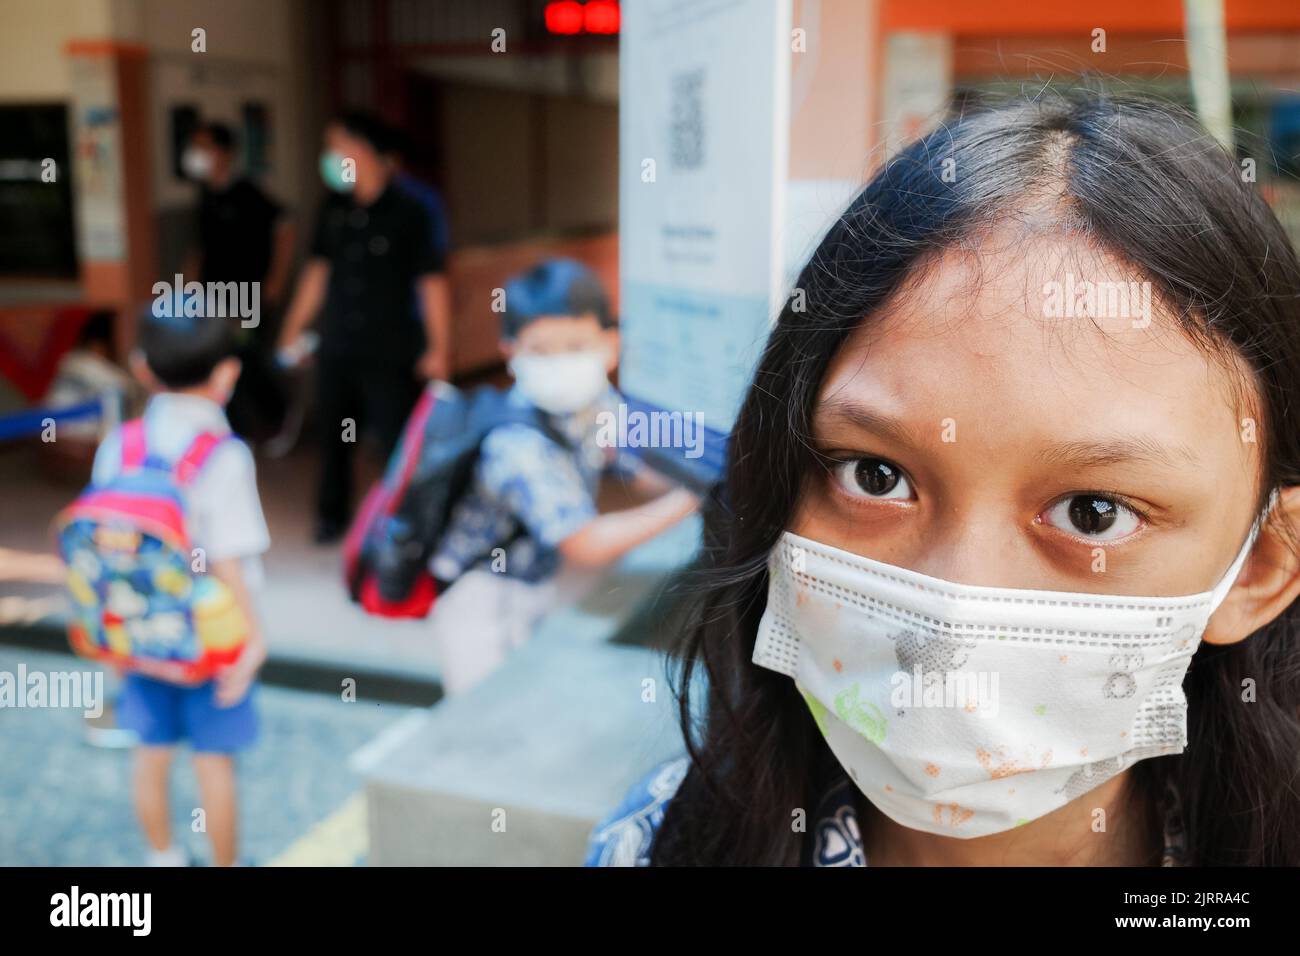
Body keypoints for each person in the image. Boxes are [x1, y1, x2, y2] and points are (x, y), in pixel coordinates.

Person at [587, 90, 1300, 867]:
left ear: (1259, 566)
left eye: (1094, 513)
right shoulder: (658, 846)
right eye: (877, 475)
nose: (951, 622)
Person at [428, 258, 698, 695]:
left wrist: (697, 466)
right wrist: (691, 499)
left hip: (533, 584)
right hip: (478, 597)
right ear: (510, 353)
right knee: (485, 720)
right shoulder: (515, 444)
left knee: (525, 702)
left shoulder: (595, 403)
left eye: (575, 346)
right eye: (540, 350)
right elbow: (586, 544)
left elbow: (642, 469)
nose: (559, 362)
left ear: (610, 345)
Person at [93, 305, 270, 867]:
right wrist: (254, 641)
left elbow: (105, 543)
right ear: (227, 373)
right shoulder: (225, 457)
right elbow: (229, 561)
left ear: (141, 368)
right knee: (213, 761)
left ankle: (162, 854)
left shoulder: (118, 444)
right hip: (208, 637)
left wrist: (110, 635)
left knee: (150, 751)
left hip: (141, 631)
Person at [277, 111, 452, 544]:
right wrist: (291, 329)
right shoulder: (333, 209)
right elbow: (318, 274)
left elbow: (431, 283)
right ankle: (331, 518)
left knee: (396, 441)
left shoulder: (411, 211)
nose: (329, 157)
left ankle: (402, 524)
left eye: (336, 146)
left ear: (366, 151)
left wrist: (440, 349)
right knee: (334, 437)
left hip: (390, 350)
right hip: (338, 346)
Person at [182, 121, 295, 441]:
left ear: (225, 153)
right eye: (196, 147)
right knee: (218, 359)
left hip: (247, 295)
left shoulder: (248, 194)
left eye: (205, 147)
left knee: (246, 357)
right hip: (212, 295)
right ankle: (231, 429)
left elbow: (285, 227)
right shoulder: (205, 195)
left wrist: (276, 280)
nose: (198, 154)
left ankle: (276, 416)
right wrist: (187, 288)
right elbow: (198, 247)